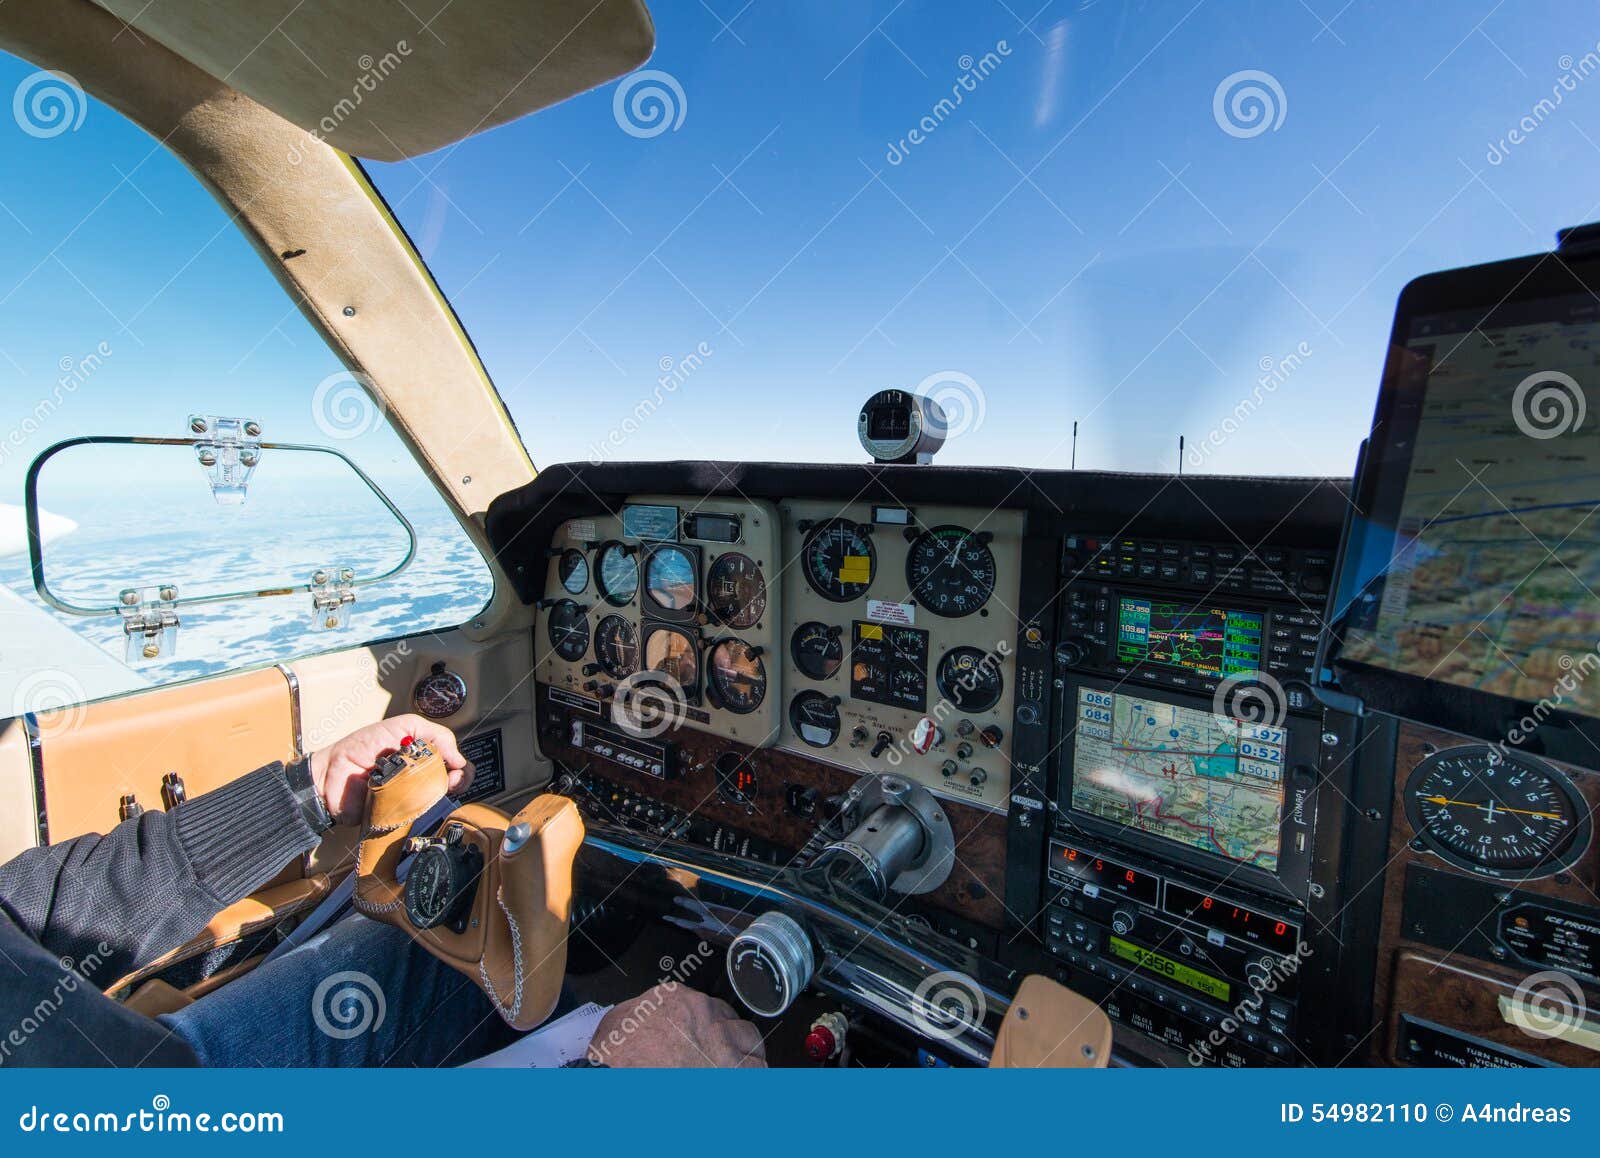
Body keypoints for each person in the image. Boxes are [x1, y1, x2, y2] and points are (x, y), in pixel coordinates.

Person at [0, 715, 764, 1067]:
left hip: (131, 1055)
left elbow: (33, 910)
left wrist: (310, 789)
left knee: (438, 948)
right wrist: (603, 1078)